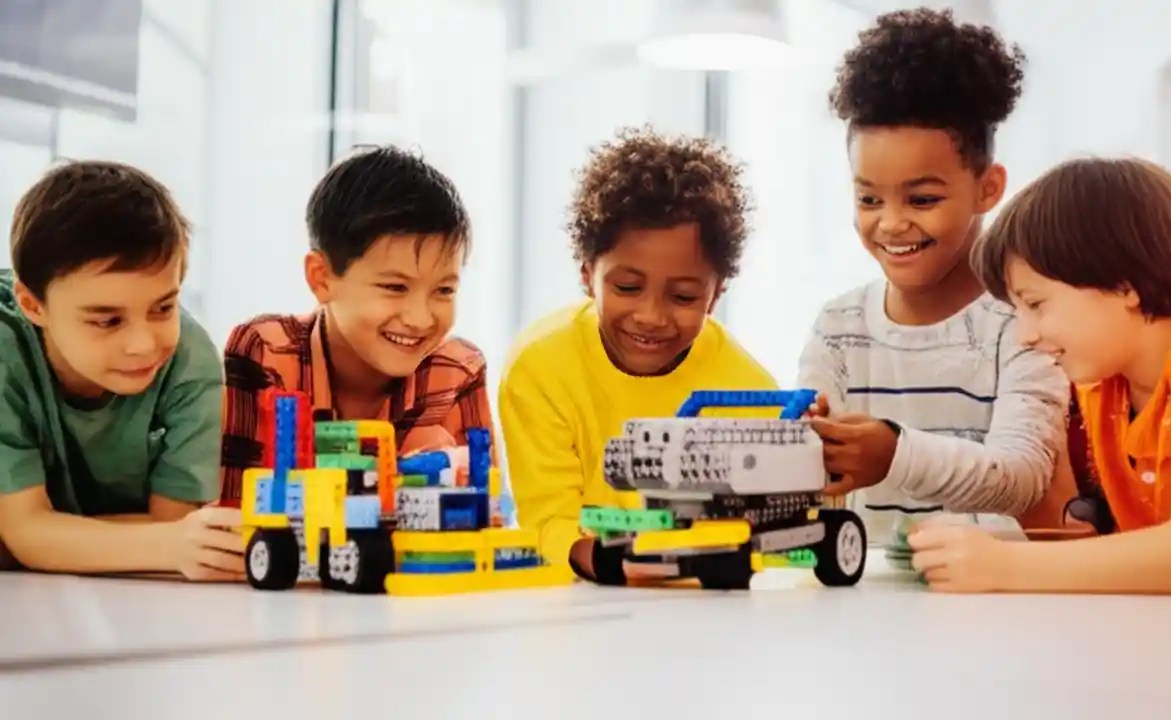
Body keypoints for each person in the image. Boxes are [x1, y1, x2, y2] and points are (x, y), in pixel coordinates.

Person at [914, 157, 1171, 593]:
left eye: (1036, 304)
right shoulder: (1098, 381)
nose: (1025, 336)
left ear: (1125, 285)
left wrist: (1001, 566)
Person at [799, 8, 1076, 546]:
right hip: (864, 603)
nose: (892, 222)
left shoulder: (1024, 325)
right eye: (868, 198)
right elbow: (809, 477)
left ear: (988, 188)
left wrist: (894, 453)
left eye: (923, 199)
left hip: (988, 599)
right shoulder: (838, 327)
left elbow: (1020, 477)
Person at [499, 126, 776, 584]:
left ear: (716, 294)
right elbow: (547, 522)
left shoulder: (749, 392)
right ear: (588, 275)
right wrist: (619, 564)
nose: (651, 316)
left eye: (684, 296)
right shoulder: (540, 366)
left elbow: (761, 538)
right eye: (627, 287)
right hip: (585, 600)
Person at [0, 160, 236, 580]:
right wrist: (31, 537)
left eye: (164, 307)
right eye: (107, 320)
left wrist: (42, 539)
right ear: (33, 306)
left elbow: (171, 524)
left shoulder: (191, 362)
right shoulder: (6, 352)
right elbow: (26, 532)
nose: (144, 344)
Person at [220, 146, 493, 504]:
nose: (420, 318)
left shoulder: (458, 370)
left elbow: (483, 513)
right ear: (322, 278)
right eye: (395, 287)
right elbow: (231, 517)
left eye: (444, 290)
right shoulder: (265, 351)